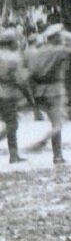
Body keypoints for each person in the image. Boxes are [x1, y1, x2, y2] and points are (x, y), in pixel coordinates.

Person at [24, 24, 71, 164]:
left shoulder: (35, 52)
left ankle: (57, 155)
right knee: (58, 125)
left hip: (39, 90)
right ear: (57, 38)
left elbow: (30, 73)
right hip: (55, 89)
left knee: (54, 123)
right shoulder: (58, 51)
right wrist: (70, 36)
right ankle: (46, 144)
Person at [0, 29, 29, 163]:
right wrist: (28, 96)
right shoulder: (14, 57)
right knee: (12, 124)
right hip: (7, 93)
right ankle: (13, 155)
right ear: (12, 43)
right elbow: (20, 80)